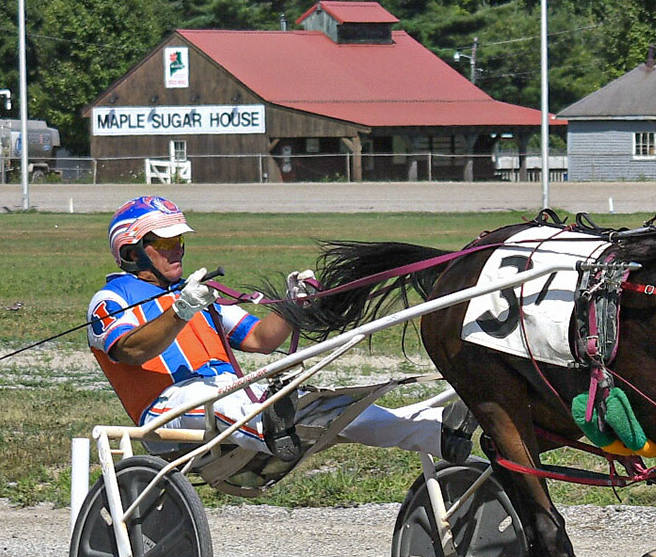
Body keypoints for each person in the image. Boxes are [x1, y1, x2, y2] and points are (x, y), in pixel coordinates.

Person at [86, 195, 472, 469]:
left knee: (332, 408)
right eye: (167, 242)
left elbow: (261, 339)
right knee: (228, 400)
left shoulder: (197, 294)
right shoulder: (111, 299)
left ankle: (437, 433)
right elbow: (131, 351)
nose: (178, 251)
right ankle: (274, 427)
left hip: (232, 399)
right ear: (133, 249)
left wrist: (293, 303)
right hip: (167, 410)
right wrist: (181, 311)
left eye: (180, 240)